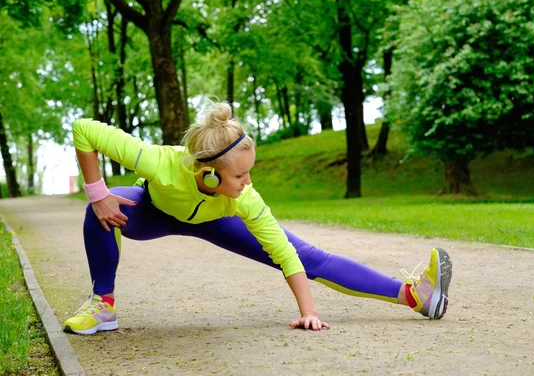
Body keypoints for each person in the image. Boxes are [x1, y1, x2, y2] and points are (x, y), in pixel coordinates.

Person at [63, 102, 453, 336]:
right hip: (154, 212)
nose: (248, 182)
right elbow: (84, 130)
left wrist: (309, 313)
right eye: (240, 175)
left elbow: (286, 255)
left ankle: (415, 296)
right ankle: (103, 304)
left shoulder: (242, 198)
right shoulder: (158, 162)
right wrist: (98, 194)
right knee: (102, 209)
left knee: (310, 256)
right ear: (209, 173)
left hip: (216, 218)